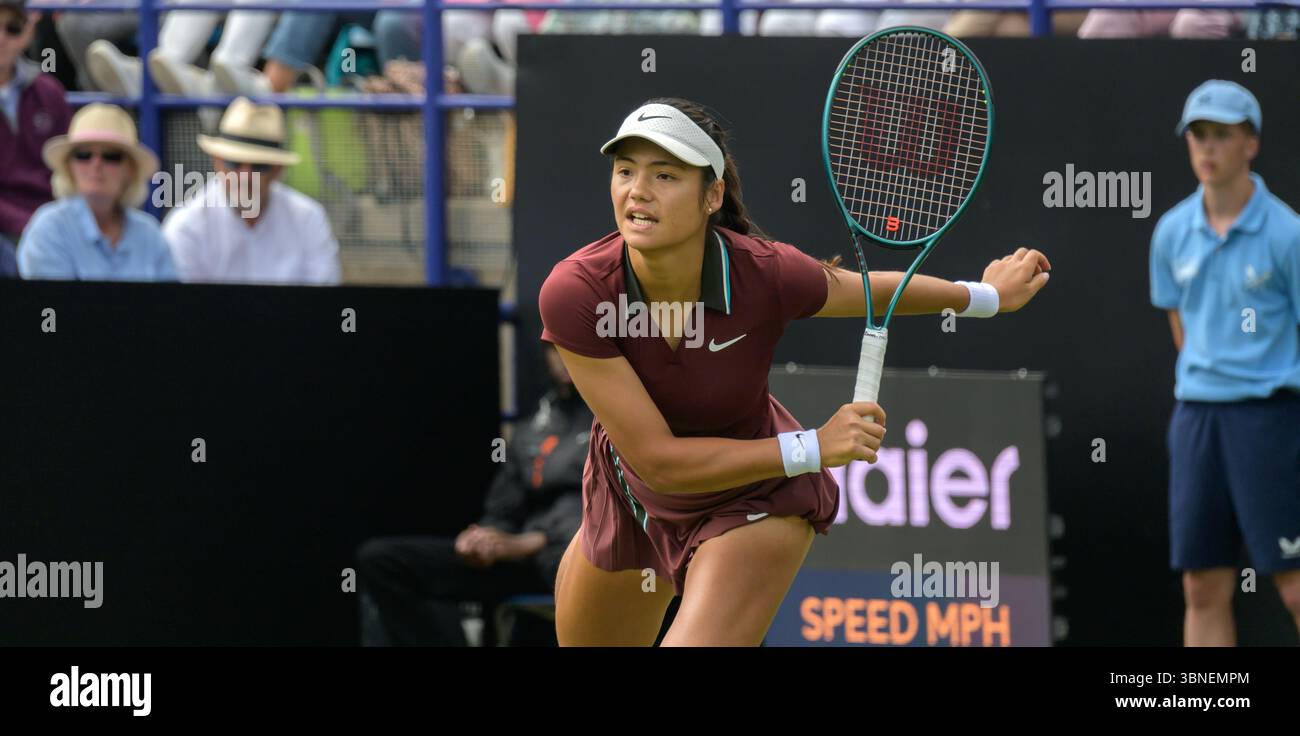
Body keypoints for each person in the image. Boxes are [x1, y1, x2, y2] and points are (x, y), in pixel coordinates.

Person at [539, 97, 1052, 646]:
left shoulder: (764, 273)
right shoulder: (577, 293)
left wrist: (985, 296)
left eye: (664, 175)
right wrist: (815, 446)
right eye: (625, 172)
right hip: (632, 491)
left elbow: (869, 291)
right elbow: (660, 463)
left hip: (752, 499)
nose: (637, 191)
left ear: (712, 195)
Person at [1148, 80, 1300, 646]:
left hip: (1271, 420)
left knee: (1294, 586)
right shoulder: (1171, 232)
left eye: (1221, 135)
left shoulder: (1287, 234)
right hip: (1197, 422)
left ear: (1250, 144)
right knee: (1203, 586)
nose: (1207, 148)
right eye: (1198, 136)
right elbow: (1180, 325)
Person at [356, 344, 592, 646]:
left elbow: (611, 505)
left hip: (573, 557)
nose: (562, 357)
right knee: (382, 561)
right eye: (554, 348)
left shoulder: (616, 417)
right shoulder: (534, 425)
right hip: (521, 559)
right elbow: (503, 508)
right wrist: (486, 539)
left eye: (572, 344)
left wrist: (536, 540)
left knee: (571, 567)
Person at [163, 97, 341, 285]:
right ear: (217, 162)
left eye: (259, 165)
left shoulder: (308, 219)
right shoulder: (187, 228)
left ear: (277, 169)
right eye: (234, 163)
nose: (245, 175)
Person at [19, 103, 175, 281]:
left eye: (111, 156)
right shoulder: (49, 228)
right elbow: (54, 304)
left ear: (130, 169)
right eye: (84, 155)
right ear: (69, 167)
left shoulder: (150, 233)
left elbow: (170, 305)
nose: (96, 164)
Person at [0, 0, 71, 277]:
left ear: (29, 31)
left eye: (12, 28)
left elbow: (70, 167)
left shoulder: (50, 92)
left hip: (49, 222)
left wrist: (55, 221)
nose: (2, 37)